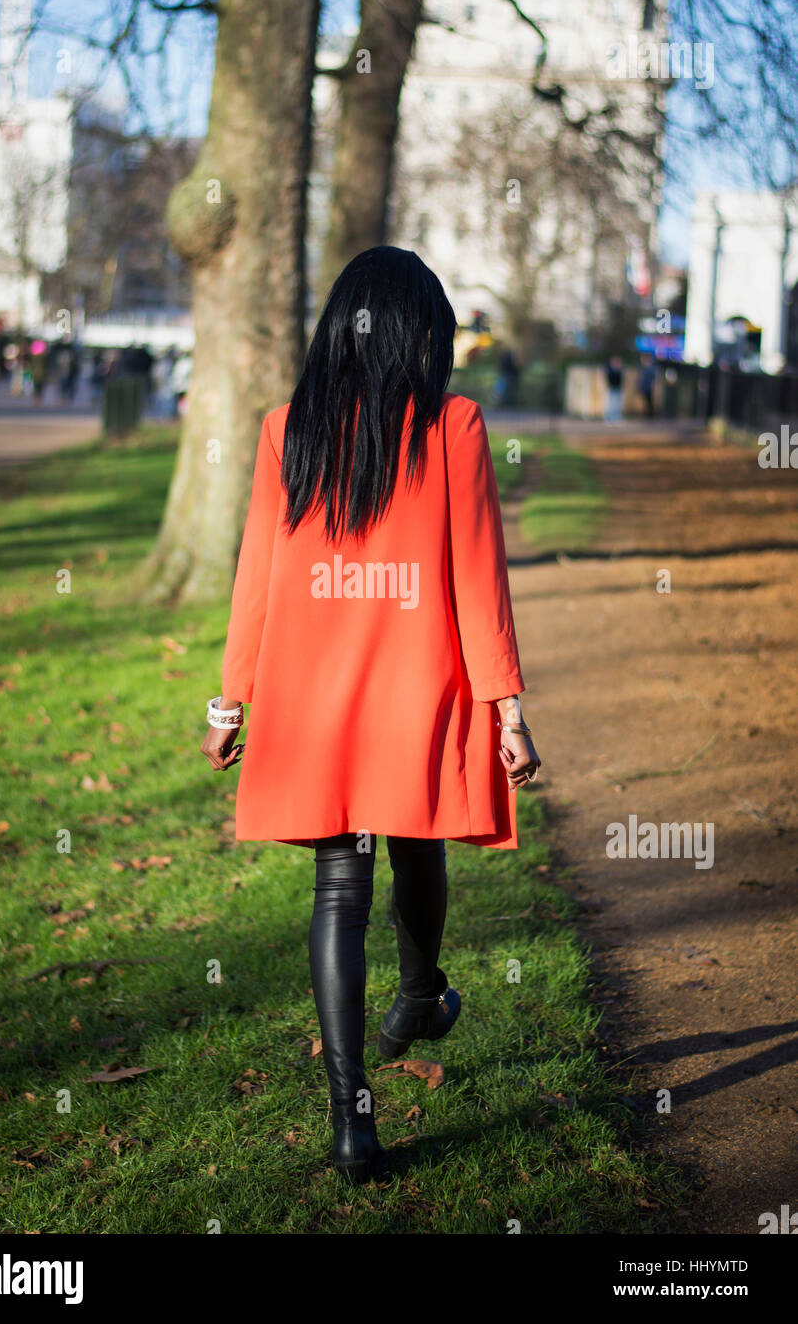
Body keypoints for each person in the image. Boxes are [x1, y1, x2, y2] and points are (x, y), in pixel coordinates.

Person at [199, 246, 541, 1185]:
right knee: (418, 837)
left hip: (314, 705)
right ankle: (418, 997)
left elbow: (257, 583)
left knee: (339, 895)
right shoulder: (453, 424)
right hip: (413, 692)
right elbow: (478, 576)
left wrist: (231, 702)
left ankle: (354, 1122)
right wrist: (507, 707)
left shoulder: (288, 430)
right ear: (418, 332)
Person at [636, 351, 656, 418]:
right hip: (644, 387)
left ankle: (650, 415)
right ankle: (647, 414)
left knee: (649, 401)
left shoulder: (649, 368)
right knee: (646, 401)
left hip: (647, 387)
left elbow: (650, 378)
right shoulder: (644, 368)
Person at [604, 354, 623, 423]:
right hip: (612, 388)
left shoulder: (619, 370)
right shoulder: (610, 369)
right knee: (611, 405)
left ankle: (617, 418)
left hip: (618, 388)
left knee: (618, 405)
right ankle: (609, 418)